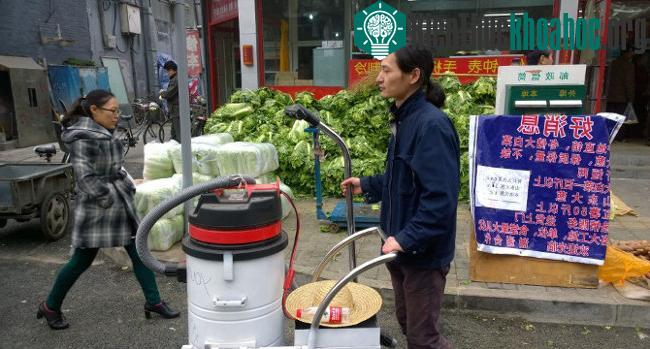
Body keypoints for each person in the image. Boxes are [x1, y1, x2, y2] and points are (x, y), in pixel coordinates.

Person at [341, 46, 460, 349]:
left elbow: (440, 200)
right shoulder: (404, 119)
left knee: (423, 337)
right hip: (400, 247)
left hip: (422, 252)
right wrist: (367, 184)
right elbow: (403, 180)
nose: (379, 78)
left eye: (386, 70)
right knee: (409, 322)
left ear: (414, 76)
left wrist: (407, 238)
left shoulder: (430, 125)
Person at [37, 89, 179, 330]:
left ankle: (153, 302)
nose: (117, 116)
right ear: (94, 110)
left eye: (117, 110)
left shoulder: (102, 131)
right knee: (81, 260)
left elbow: (112, 168)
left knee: (138, 252)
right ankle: (50, 306)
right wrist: (108, 198)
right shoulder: (83, 138)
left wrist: (125, 183)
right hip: (99, 208)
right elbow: (85, 178)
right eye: (112, 111)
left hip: (119, 204)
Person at [606, 47, 635, 141]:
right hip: (621, 97)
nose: (632, 54)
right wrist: (631, 98)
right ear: (627, 53)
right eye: (631, 52)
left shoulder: (612, 64)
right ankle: (619, 136)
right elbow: (629, 83)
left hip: (609, 95)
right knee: (620, 118)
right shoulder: (628, 65)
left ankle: (608, 134)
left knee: (610, 116)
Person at [161, 60, 180, 142]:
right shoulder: (175, 78)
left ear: (172, 70)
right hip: (175, 110)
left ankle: (182, 151)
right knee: (174, 133)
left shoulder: (175, 80)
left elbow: (169, 93)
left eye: (168, 71)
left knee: (178, 134)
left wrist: (162, 93)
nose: (167, 73)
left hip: (176, 110)